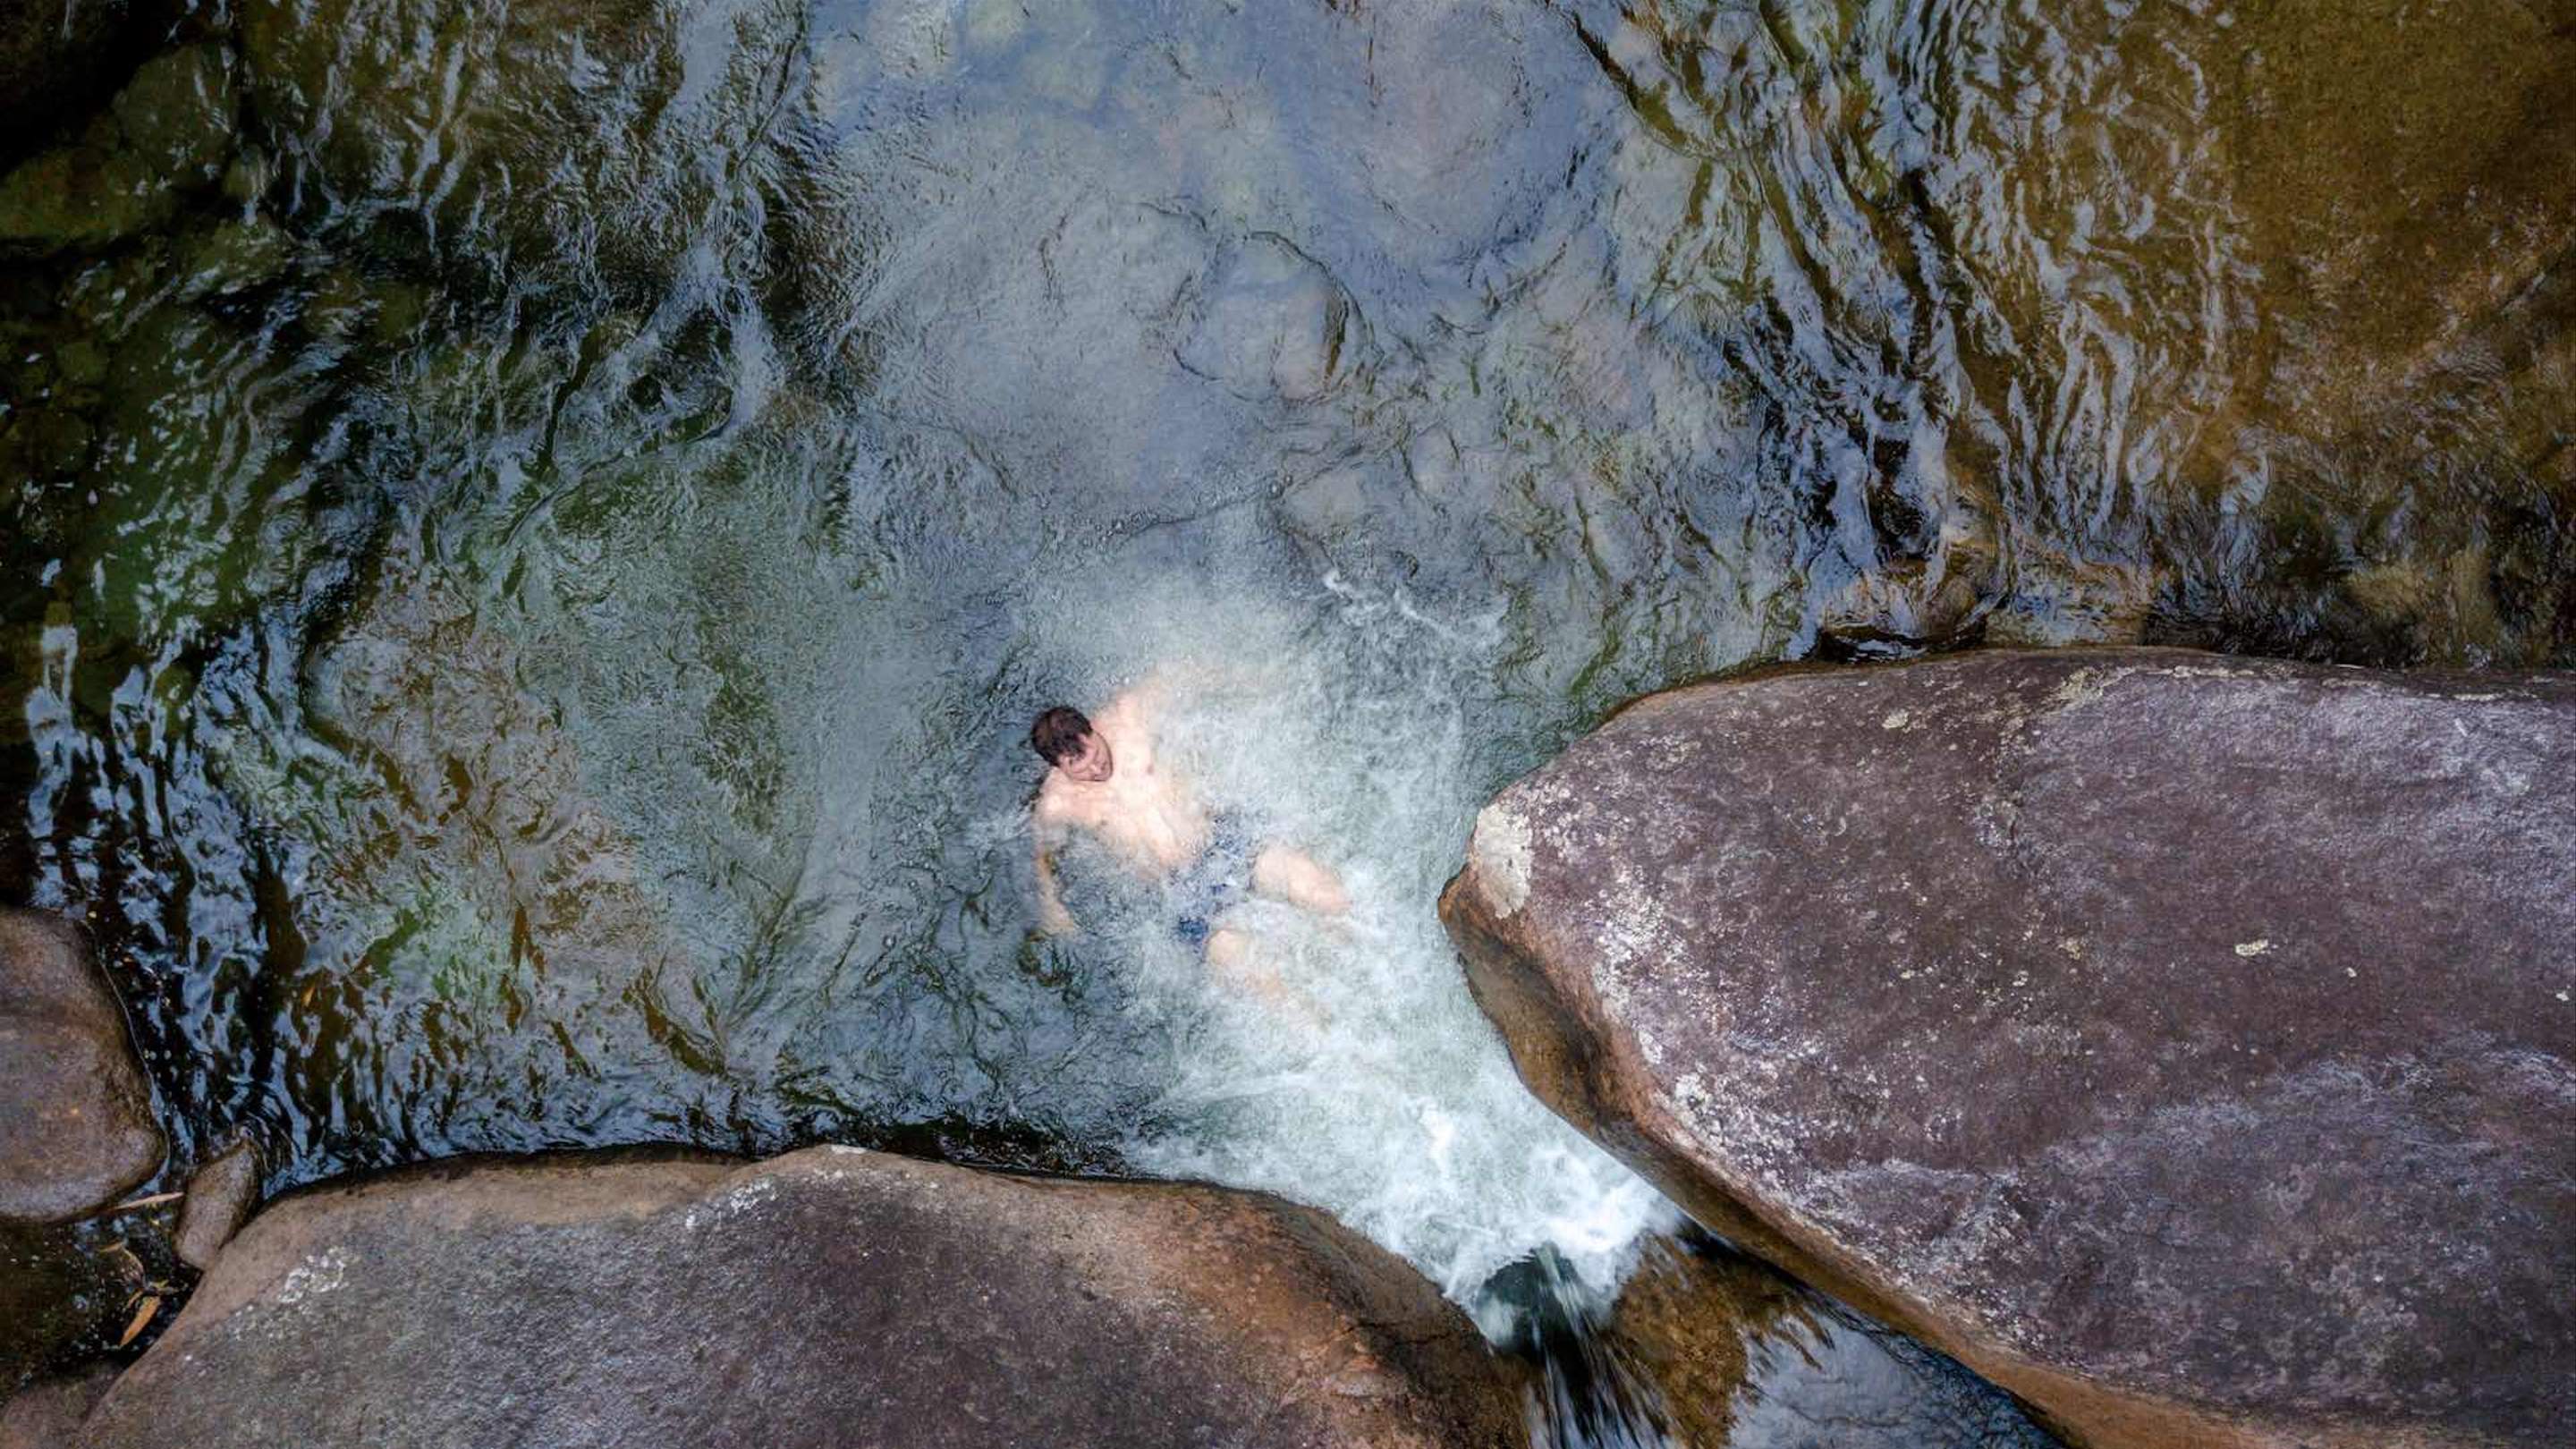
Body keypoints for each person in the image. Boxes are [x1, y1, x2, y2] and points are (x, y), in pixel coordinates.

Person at [1028, 677, 1348, 981]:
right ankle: (1327, 1029)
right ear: (1057, 766)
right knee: (1249, 970)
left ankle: (1357, 952)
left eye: (1096, 751)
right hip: (1179, 894)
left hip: (1225, 842)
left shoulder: (1129, 718)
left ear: (1092, 729)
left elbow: (1184, 676)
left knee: (1323, 895)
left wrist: (1260, 680)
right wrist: (1053, 907)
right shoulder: (1057, 805)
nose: (1098, 768)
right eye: (1080, 769)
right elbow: (1044, 855)